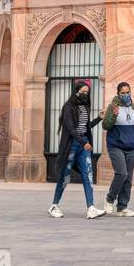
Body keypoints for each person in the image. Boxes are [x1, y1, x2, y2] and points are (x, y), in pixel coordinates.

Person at [49, 80, 105, 218]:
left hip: (83, 144)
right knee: (65, 176)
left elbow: (85, 127)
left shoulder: (85, 107)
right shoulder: (68, 107)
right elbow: (71, 129)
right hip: (72, 145)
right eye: (83, 92)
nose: (85, 94)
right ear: (76, 92)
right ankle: (54, 205)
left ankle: (91, 207)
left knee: (88, 175)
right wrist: (82, 142)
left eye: (87, 92)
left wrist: (99, 118)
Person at [101, 81, 134, 217]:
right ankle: (110, 198)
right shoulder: (113, 106)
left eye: (128, 92)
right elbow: (105, 125)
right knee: (122, 173)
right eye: (123, 93)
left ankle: (122, 207)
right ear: (118, 93)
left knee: (128, 178)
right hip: (116, 146)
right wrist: (114, 115)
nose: (126, 95)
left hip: (131, 147)